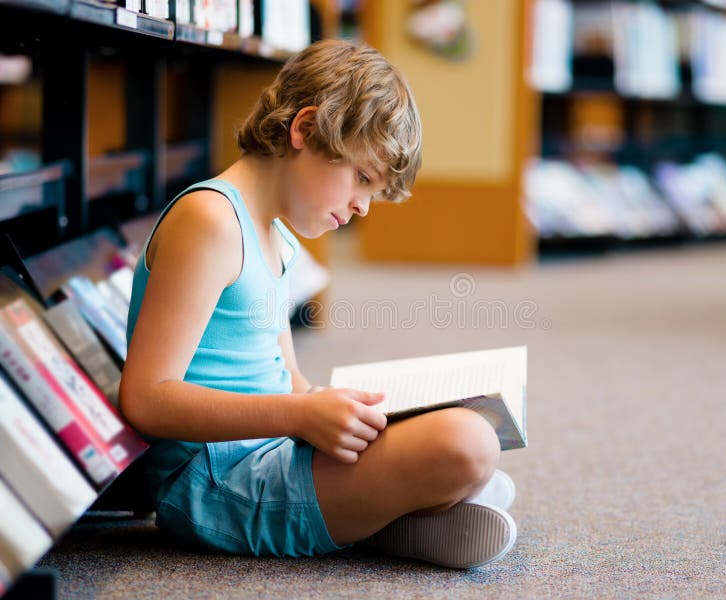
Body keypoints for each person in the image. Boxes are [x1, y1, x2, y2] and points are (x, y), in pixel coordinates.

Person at [120, 39, 517, 569]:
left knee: (461, 432)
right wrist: (302, 415)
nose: (363, 207)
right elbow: (146, 399)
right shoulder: (210, 221)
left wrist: (337, 408)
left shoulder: (277, 237)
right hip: (211, 481)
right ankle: (386, 520)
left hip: (268, 447)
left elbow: (287, 379)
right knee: (467, 446)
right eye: (362, 178)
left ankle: (383, 516)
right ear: (305, 129)